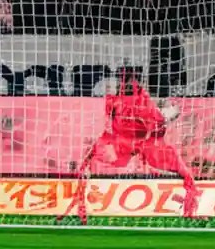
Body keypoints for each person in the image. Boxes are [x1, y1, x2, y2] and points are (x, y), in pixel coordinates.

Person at [59, 69, 200, 223]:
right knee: (180, 168)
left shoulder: (118, 101)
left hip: (125, 144)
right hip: (131, 144)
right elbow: (157, 125)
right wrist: (168, 116)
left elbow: (153, 125)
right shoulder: (141, 102)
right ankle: (190, 207)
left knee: (91, 159)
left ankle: (79, 205)